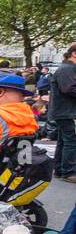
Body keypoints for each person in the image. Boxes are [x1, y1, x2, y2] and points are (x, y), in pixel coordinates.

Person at [49, 43, 76, 182]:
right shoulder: (68, 69)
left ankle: (59, 169)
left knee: (63, 141)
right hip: (67, 110)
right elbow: (69, 88)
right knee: (71, 141)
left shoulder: (66, 68)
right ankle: (69, 172)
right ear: (74, 53)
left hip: (64, 110)